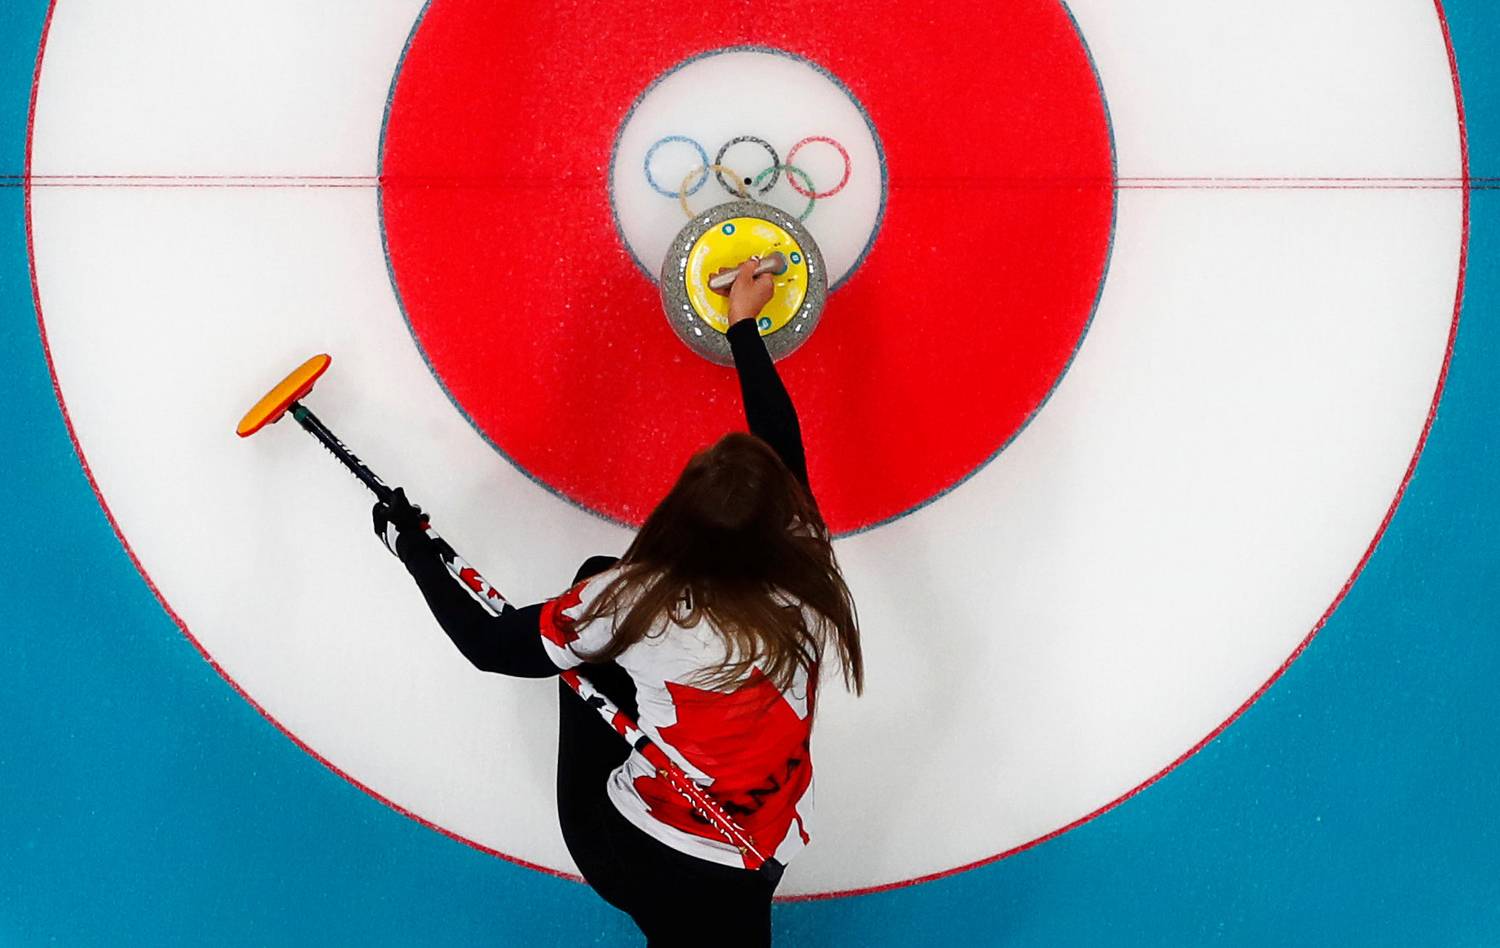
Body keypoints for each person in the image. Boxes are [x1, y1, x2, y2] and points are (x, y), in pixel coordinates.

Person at [371, 259, 864, 946]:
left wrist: (416, 554)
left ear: (680, 518)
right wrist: (744, 328)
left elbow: (491, 647)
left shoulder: (639, 603)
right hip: (759, 845)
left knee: (584, 628)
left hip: (635, 852)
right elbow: (782, 442)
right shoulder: (806, 565)